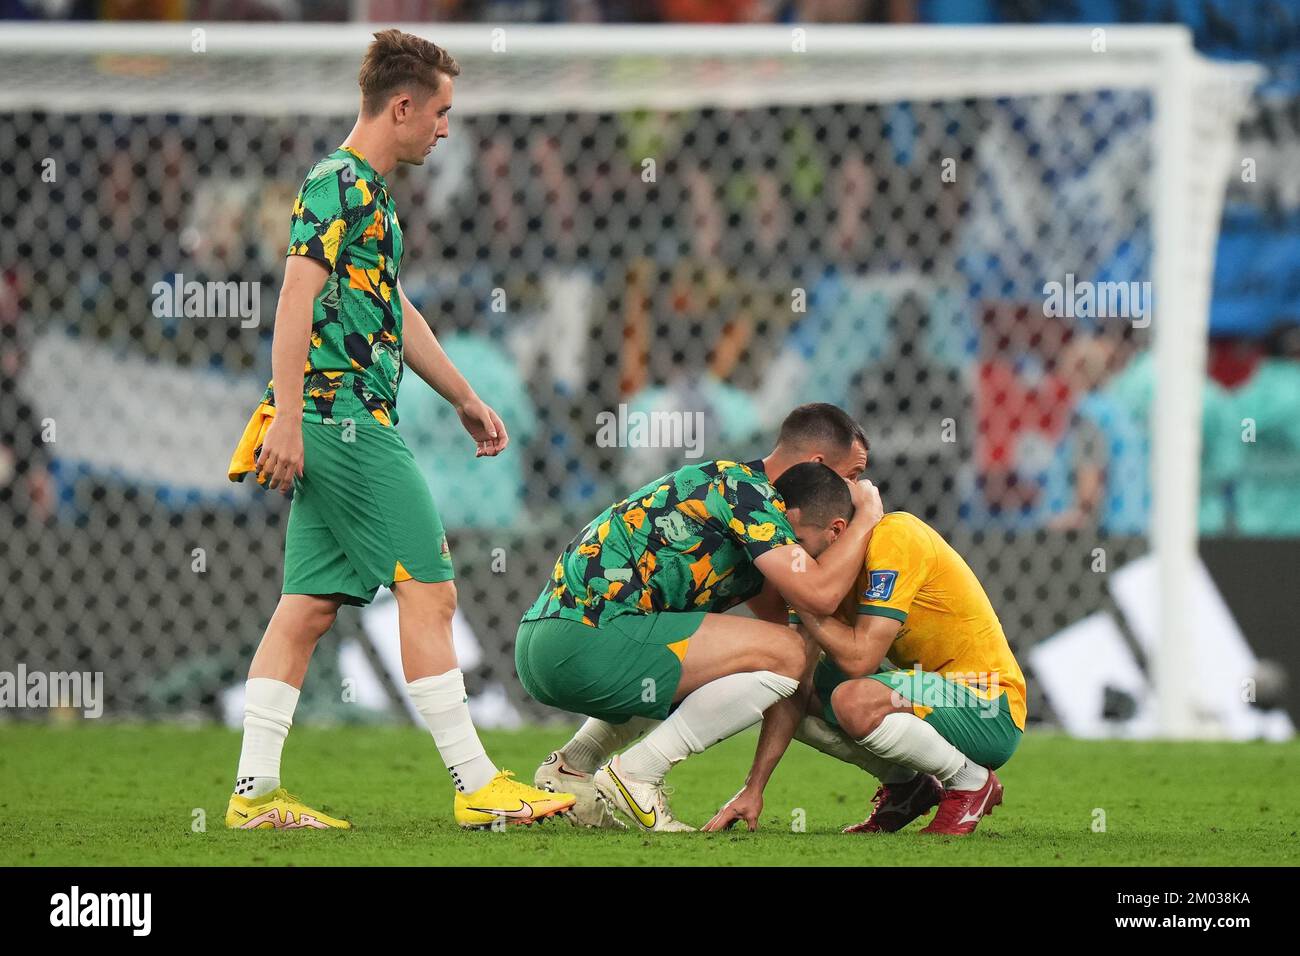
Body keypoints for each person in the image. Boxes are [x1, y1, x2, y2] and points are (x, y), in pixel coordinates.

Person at [223, 29, 573, 830]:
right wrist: (284, 416)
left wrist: (462, 394)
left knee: (306, 608)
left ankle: (252, 797)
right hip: (342, 420)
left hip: (339, 416)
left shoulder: (368, 195)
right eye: (441, 113)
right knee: (432, 588)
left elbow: (393, 309)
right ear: (403, 106)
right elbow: (292, 301)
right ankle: (477, 781)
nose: (446, 129)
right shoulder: (335, 184)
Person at [518, 403, 882, 831]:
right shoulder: (749, 492)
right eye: (853, 476)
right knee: (785, 652)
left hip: (550, 643)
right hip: (584, 641)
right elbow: (816, 600)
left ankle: (573, 768)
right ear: (816, 464)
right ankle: (637, 773)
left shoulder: (747, 500)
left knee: (769, 656)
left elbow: (784, 643)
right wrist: (868, 519)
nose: (859, 488)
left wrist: (757, 783)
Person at [705, 461, 1026, 836]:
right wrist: (753, 788)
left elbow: (860, 659)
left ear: (837, 530)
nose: (790, 556)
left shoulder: (896, 537)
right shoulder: (819, 573)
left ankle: (971, 782)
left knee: (854, 700)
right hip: (926, 693)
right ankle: (910, 788)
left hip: (988, 706)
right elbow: (795, 686)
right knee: (782, 676)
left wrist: (807, 605)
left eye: (798, 542)